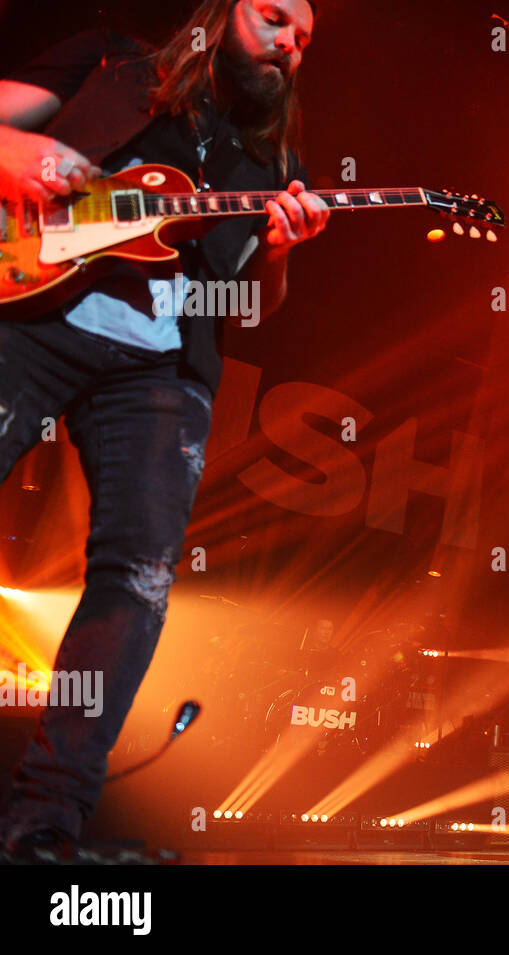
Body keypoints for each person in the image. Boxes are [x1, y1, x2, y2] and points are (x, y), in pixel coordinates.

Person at [0, 0, 327, 862]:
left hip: (162, 366)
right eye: (275, 18)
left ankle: (42, 826)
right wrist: (18, 150)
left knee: (136, 580)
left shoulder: (273, 163)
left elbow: (253, 310)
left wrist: (281, 250)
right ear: (223, 12)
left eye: (303, 38)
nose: (289, 44)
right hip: (29, 309)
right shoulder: (112, 65)